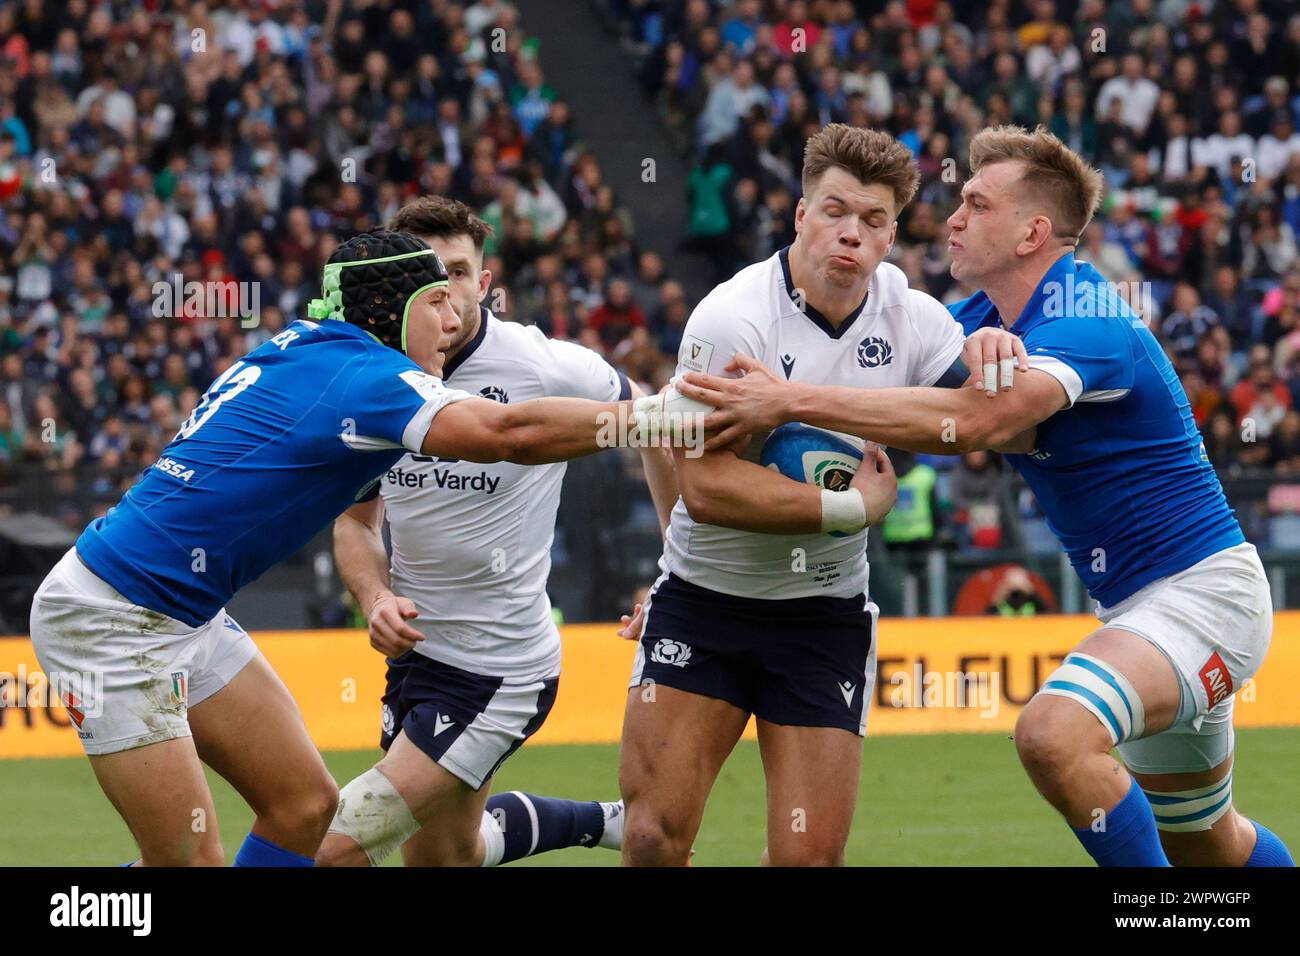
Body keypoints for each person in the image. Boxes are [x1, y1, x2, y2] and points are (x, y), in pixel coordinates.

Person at [679, 126, 1293, 867]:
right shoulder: (976, 324)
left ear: (1033, 231)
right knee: (1208, 845)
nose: (954, 219)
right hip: (1138, 610)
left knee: (1052, 734)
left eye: (975, 202)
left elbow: (975, 421)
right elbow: (917, 388)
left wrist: (787, 401)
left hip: (1203, 595)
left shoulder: (1087, 314)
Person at [28, 229, 664, 867]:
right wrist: (666, 415)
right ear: (390, 311)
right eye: (434, 302)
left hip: (179, 610)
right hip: (112, 620)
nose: (453, 320)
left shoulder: (312, 348)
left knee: (306, 807)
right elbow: (506, 433)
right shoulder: (368, 375)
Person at [616, 124, 1020, 867]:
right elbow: (705, 488)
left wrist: (995, 353)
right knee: (649, 839)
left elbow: (979, 424)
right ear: (800, 216)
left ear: (892, 235)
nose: (851, 234)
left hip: (822, 617)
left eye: (872, 221)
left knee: (808, 859)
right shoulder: (732, 318)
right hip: (706, 600)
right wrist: (851, 510)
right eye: (834, 211)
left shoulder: (913, 317)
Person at [318, 198, 678, 867]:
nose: (446, 294)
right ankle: (603, 822)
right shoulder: (374, 380)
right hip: (415, 659)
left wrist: (673, 569)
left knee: (341, 848)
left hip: (499, 669)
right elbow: (355, 521)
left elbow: (657, 419)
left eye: (459, 272)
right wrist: (373, 599)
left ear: (484, 283)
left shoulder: (544, 367)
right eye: (428, 277)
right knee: (447, 856)